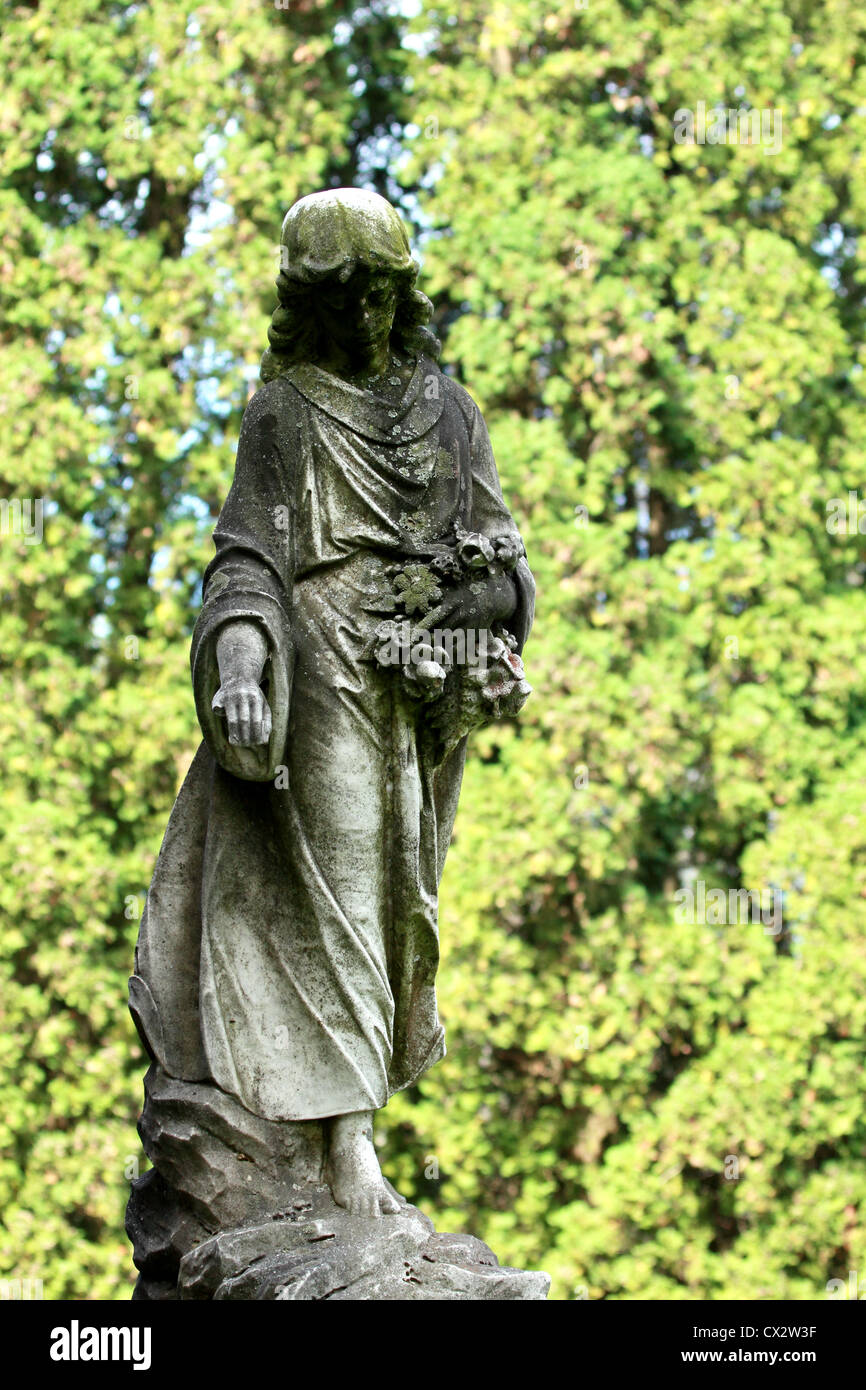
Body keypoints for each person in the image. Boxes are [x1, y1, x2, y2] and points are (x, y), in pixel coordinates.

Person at [130, 188, 535, 1217]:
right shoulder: (284, 412)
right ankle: (344, 1148)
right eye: (337, 297)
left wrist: (464, 607)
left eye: (377, 294)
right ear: (306, 304)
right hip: (318, 672)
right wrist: (236, 664)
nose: (359, 316)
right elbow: (246, 564)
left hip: (416, 690)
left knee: (402, 899)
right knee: (340, 890)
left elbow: (502, 564)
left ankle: (344, 1137)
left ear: (402, 294)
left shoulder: (450, 414)